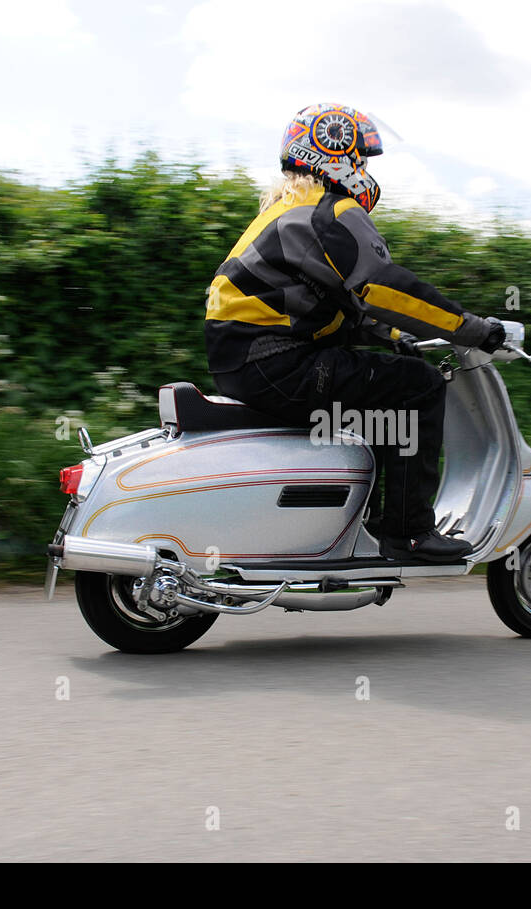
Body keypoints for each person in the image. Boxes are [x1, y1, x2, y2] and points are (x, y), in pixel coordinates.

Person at [205, 102, 505, 563]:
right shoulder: (330, 212)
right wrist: (473, 329)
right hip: (276, 362)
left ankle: (365, 518)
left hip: (248, 362)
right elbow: (385, 288)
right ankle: (408, 533)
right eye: (361, 159)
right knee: (419, 388)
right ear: (336, 154)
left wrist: (392, 341)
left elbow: (338, 305)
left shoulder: (288, 210)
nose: (364, 170)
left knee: (394, 376)